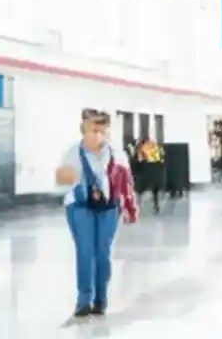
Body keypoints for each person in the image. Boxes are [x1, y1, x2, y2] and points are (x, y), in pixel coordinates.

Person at [55, 109, 138, 317]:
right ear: (84, 129)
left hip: (109, 208)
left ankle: (101, 300)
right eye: (93, 128)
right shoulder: (72, 153)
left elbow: (126, 183)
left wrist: (129, 208)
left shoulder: (117, 153)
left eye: (102, 129)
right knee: (85, 252)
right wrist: (74, 182)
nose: (98, 134)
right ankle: (84, 300)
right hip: (80, 207)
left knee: (103, 252)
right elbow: (61, 185)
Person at [136, 136, 165, 212]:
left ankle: (138, 204)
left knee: (140, 189)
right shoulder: (156, 146)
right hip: (157, 168)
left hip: (146, 168)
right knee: (155, 189)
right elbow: (162, 156)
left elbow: (140, 159)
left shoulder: (142, 148)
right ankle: (156, 205)